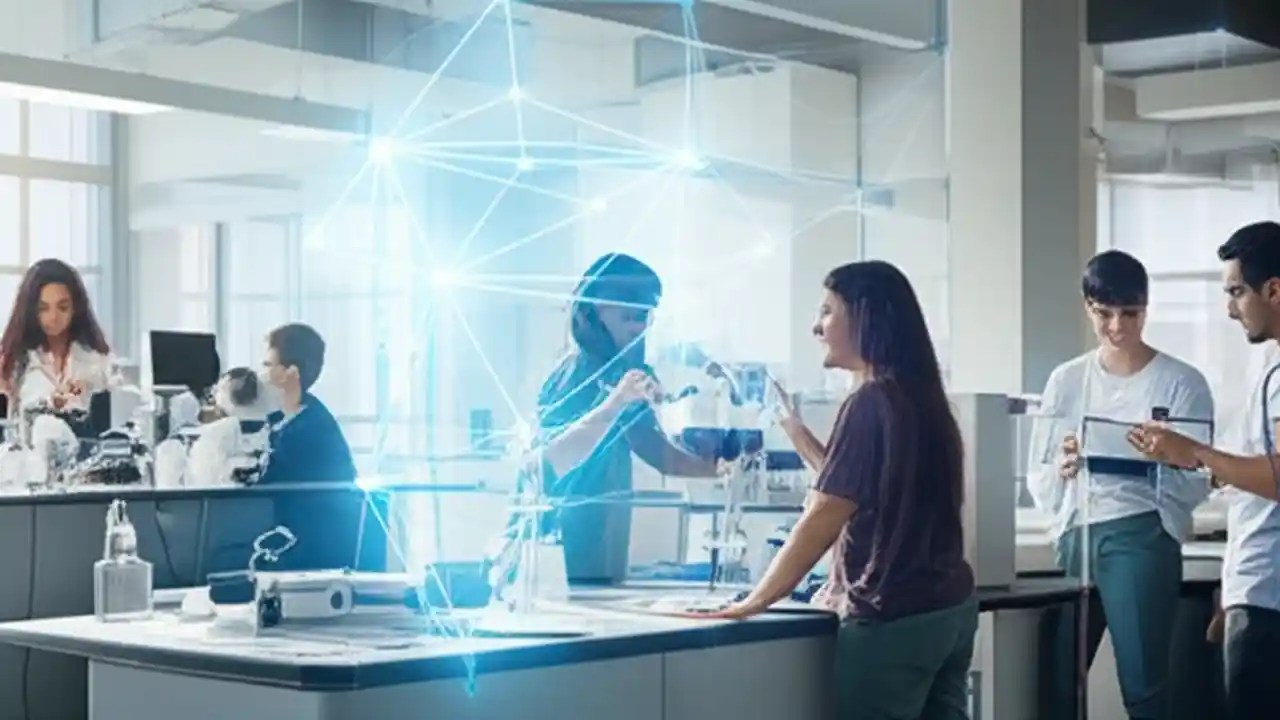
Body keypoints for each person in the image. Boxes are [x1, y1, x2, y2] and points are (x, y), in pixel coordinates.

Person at [699, 260, 976, 720]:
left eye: (827, 311)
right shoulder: (920, 396)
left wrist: (755, 600)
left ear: (865, 317)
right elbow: (850, 479)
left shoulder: (870, 402)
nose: (816, 326)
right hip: (950, 609)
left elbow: (825, 515)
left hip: (895, 621)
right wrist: (793, 428)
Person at [1028, 250, 1213, 720]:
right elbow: (1040, 469)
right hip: (1076, 533)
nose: (1117, 327)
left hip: (1140, 532)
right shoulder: (1066, 380)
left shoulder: (1181, 382)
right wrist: (1063, 466)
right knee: (1059, 685)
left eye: (1129, 314)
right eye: (1103, 313)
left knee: (1143, 686)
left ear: (1146, 309)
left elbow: (1199, 476)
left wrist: (1162, 457)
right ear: (1087, 307)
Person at [1130, 220, 1280, 719]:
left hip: (1270, 602)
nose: (1230, 308)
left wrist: (1194, 452)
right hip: (1255, 589)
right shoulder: (1268, 365)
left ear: (1274, 290)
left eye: (1237, 292)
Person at [528, 253, 718, 584]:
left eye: (645, 318)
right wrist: (720, 471)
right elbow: (660, 455)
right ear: (596, 309)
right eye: (631, 316)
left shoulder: (566, 371)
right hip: (582, 530)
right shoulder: (615, 378)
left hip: (564, 529)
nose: (639, 328)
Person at [0, 259, 112, 413]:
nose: (53, 317)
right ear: (30, 310)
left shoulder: (95, 359)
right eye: (43, 308)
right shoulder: (15, 359)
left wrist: (89, 388)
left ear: (76, 308)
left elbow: (118, 408)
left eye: (63, 307)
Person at [257, 323, 355, 485]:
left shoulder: (308, 431)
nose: (262, 375)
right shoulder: (288, 418)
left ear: (291, 373)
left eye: (268, 365)